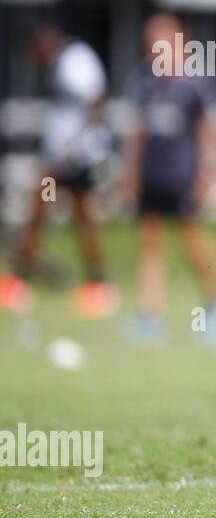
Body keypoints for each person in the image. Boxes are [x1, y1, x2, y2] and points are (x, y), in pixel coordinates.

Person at [121, 13, 216, 346]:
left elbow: (210, 131)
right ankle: (150, 315)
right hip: (151, 175)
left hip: (184, 175)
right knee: (150, 242)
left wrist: (207, 173)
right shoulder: (144, 79)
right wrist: (130, 174)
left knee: (192, 241)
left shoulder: (196, 80)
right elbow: (137, 132)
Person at [0, 23, 116, 317]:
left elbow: (97, 103)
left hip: (78, 157)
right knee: (41, 208)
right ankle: (20, 278)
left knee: (82, 215)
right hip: (57, 160)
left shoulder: (76, 59)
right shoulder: (57, 63)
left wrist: (77, 146)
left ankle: (97, 283)